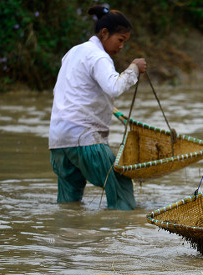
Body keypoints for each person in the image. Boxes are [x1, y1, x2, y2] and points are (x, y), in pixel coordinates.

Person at [49, 5, 147, 210]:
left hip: (58, 142)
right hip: (85, 139)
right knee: (120, 186)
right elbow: (114, 87)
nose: (121, 46)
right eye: (120, 40)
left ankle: (69, 238)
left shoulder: (74, 52)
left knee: (69, 202)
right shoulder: (99, 56)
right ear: (104, 33)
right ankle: (123, 235)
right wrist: (134, 69)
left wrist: (114, 110)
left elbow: (76, 93)